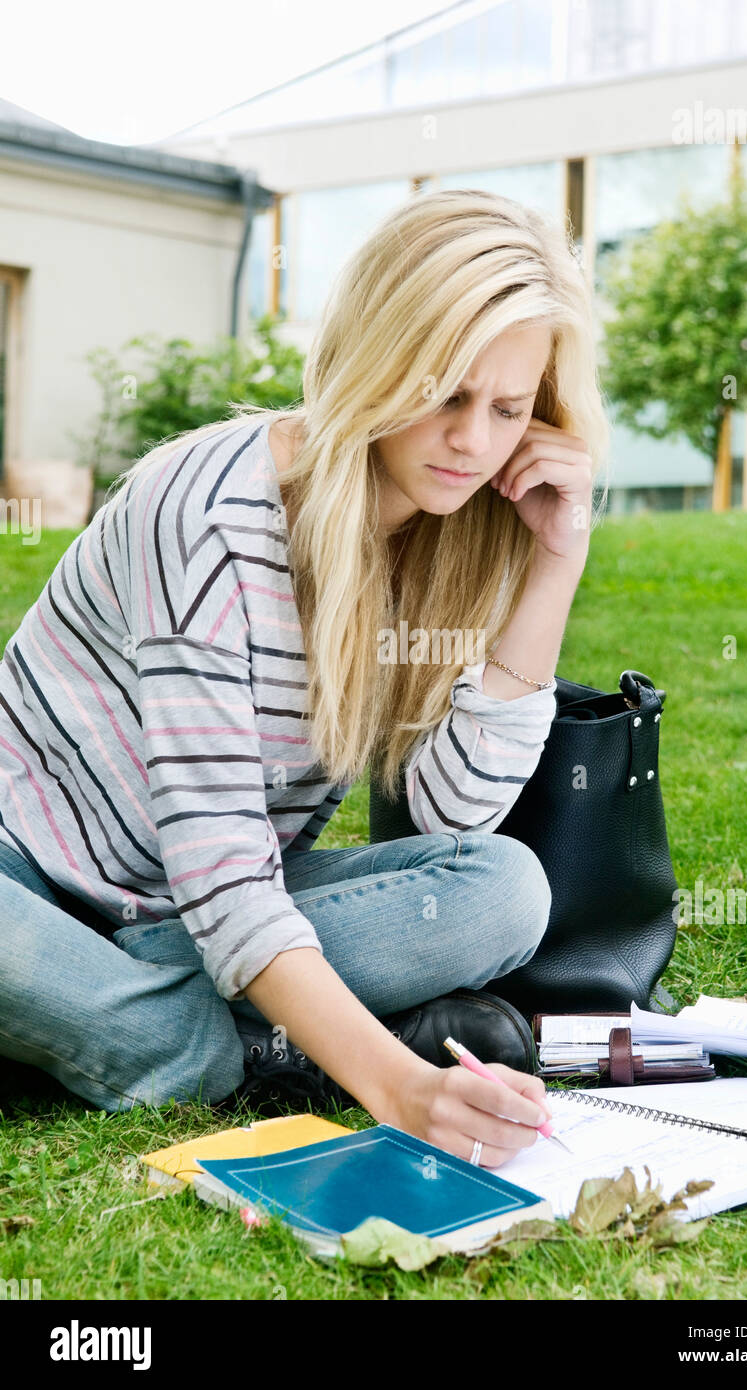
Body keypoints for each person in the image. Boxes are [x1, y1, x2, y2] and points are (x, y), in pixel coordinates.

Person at [0, 189, 609, 1169]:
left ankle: (112, 1013)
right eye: (444, 393)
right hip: (30, 873)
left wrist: (553, 562)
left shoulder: (440, 534)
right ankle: (204, 1040)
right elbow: (224, 869)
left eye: (506, 409)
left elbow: (453, 806)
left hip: (195, 914)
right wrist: (398, 1084)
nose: (471, 441)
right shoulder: (202, 508)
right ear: (377, 355)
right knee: (120, 998)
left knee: (503, 889)